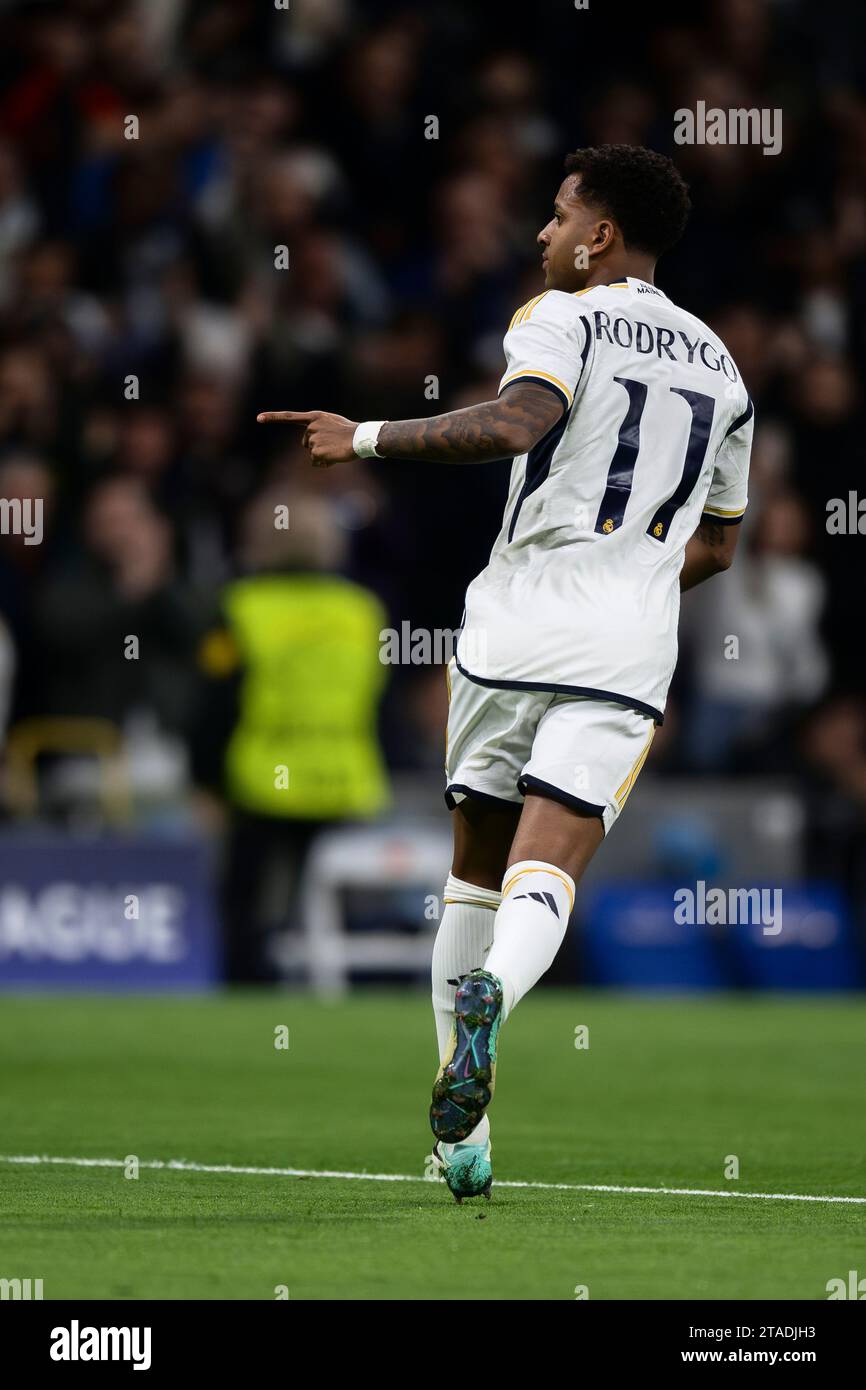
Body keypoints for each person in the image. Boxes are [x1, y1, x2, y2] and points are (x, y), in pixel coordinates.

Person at [257, 144, 754, 1201]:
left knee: (473, 869)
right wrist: (639, 574)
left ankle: (459, 1142)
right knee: (552, 865)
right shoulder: (724, 370)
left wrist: (369, 436)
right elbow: (715, 544)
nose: (540, 233)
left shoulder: (556, 316)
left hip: (509, 627)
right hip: (623, 642)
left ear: (598, 235)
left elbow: (518, 422)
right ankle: (495, 995)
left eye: (556, 214)